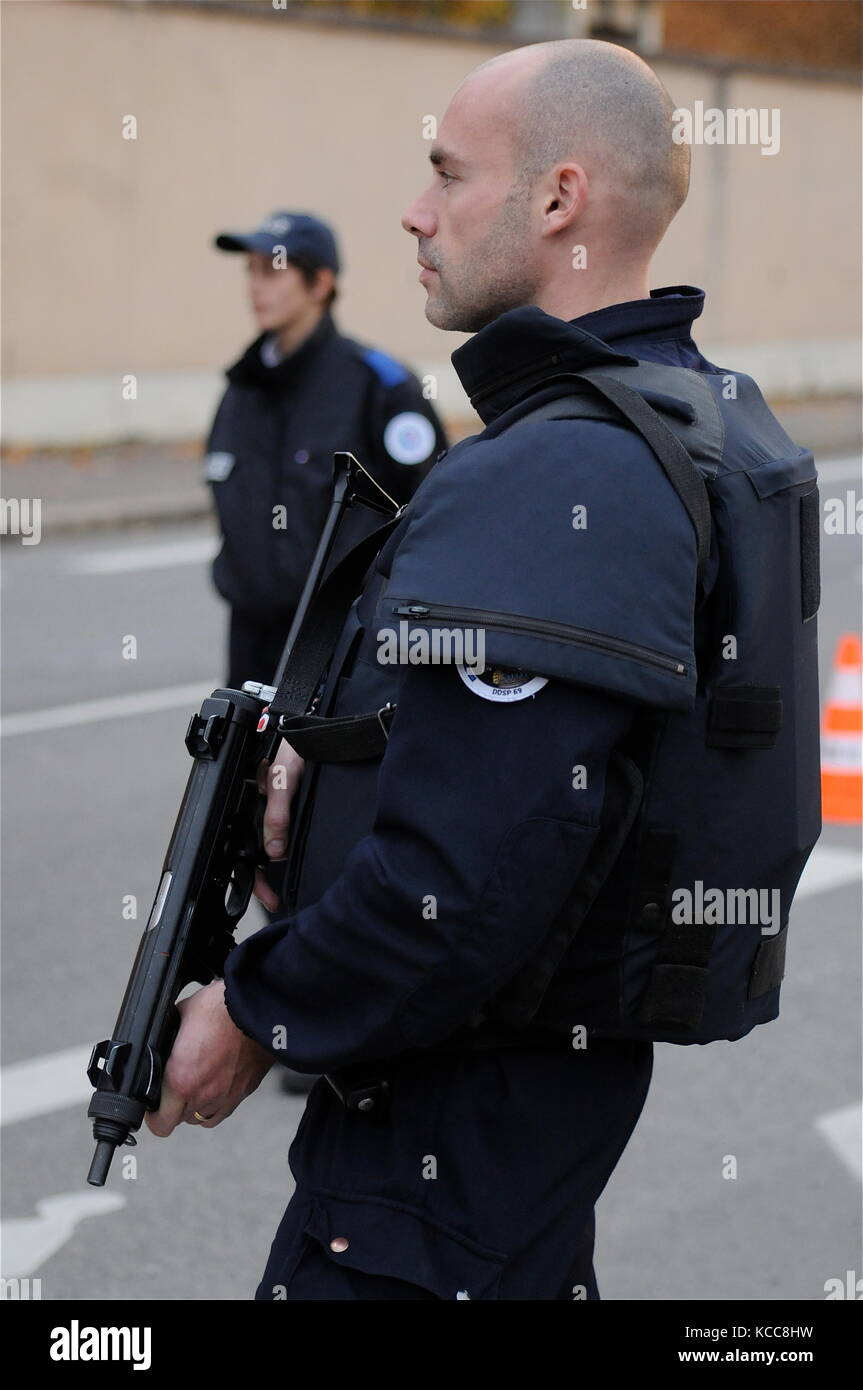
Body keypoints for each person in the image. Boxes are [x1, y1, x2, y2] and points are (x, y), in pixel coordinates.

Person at [146, 40, 821, 1300]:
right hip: (519, 1128)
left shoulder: (559, 464)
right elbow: (550, 778)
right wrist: (333, 752)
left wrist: (252, 1011)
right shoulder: (680, 411)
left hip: (434, 1162)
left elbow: (458, 875)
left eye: (445, 173)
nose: (412, 209)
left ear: (556, 201)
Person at [205, 210, 447, 691]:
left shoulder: (378, 388)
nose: (256, 287)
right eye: (250, 271)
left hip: (338, 650)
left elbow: (433, 510)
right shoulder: (242, 390)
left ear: (320, 283)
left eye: (273, 271)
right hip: (251, 646)